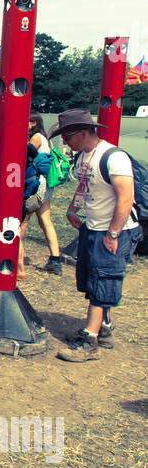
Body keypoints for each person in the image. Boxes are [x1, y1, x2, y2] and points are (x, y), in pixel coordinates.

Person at [51, 108, 140, 361]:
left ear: (81, 133)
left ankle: (89, 339)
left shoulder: (114, 157)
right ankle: (105, 328)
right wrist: (73, 208)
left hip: (115, 230)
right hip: (93, 227)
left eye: (67, 137)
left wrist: (113, 233)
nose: (65, 142)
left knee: (103, 279)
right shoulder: (83, 156)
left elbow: (126, 198)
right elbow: (84, 184)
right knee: (93, 279)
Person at [20, 110, 62, 274]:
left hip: (36, 185)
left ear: (33, 123)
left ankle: (14, 257)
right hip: (46, 184)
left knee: (23, 220)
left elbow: (24, 154)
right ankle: (55, 259)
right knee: (45, 221)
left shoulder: (36, 138)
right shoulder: (45, 138)